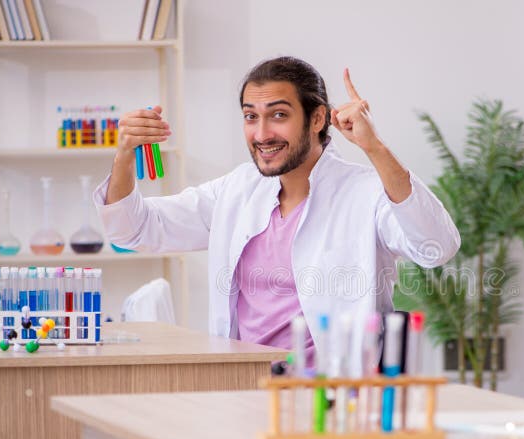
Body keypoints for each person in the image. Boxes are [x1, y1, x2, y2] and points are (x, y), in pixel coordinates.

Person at [95, 56, 460, 364]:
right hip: (242, 392)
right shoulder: (237, 190)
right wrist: (125, 153)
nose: (262, 133)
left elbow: (436, 247)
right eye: (251, 117)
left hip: (333, 401)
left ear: (318, 119)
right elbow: (134, 230)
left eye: (279, 115)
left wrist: (374, 147)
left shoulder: (365, 192)